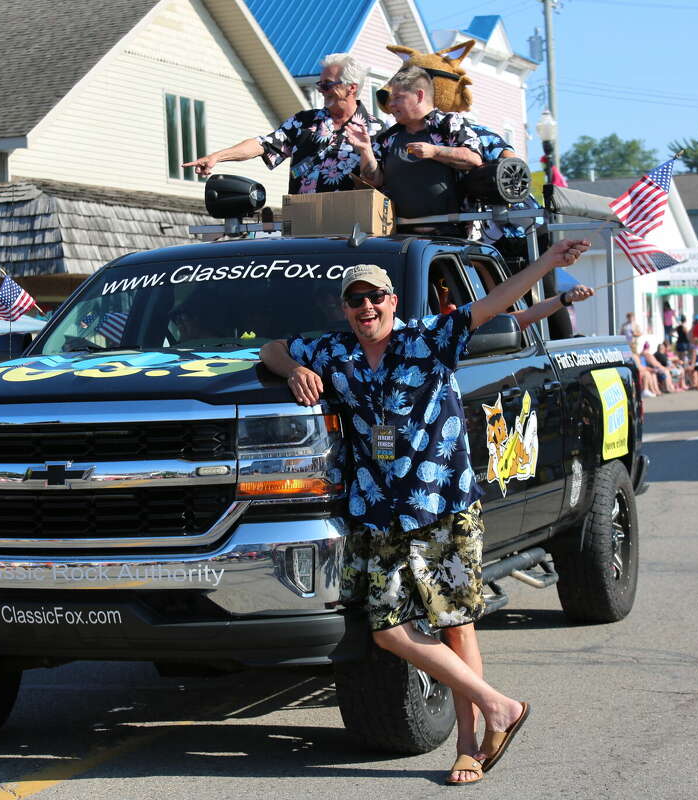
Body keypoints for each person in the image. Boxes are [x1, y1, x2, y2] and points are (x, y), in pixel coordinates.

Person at [260, 238, 592, 786]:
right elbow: (271, 348)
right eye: (355, 301)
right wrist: (294, 367)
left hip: (440, 505)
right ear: (344, 308)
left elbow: (495, 302)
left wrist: (548, 263)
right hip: (376, 512)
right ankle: (499, 706)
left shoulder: (430, 337)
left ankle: (466, 746)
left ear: (393, 300)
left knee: (456, 624)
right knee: (387, 629)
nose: (366, 308)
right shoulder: (333, 352)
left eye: (375, 298)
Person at [183, 54, 383, 194]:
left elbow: (376, 181)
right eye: (319, 84)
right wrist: (217, 157)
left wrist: (365, 150)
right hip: (303, 225)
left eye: (327, 84)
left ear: (351, 88)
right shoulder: (303, 122)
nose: (321, 90)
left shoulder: (377, 130)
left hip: (350, 232)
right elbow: (263, 144)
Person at [348, 66, 485, 233]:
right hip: (400, 235)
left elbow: (473, 159)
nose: (391, 104)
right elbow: (374, 181)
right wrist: (365, 149)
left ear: (419, 96)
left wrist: (435, 152)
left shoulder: (449, 123)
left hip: (449, 236)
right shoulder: (389, 137)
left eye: (398, 97)